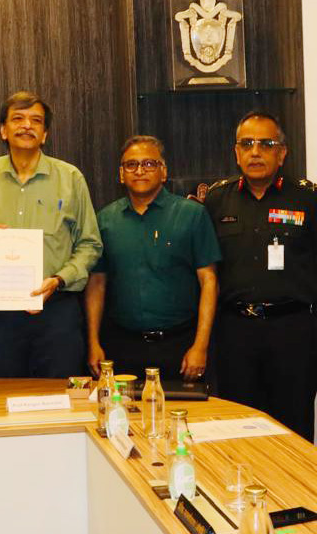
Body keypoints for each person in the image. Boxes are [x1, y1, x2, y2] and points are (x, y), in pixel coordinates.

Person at [203, 112, 317, 441]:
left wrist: (303, 297)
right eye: (247, 144)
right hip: (236, 331)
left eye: (266, 144)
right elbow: (209, 267)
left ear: (282, 152)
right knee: (238, 424)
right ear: (236, 152)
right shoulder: (218, 199)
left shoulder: (308, 196)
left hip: (292, 330)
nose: (255, 152)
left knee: (294, 424)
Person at [0, 91, 103, 377]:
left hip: (57, 311)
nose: (27, 125)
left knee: (59, 393)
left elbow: (90, 244)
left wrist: (59, 279)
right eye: (18, 119)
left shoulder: (70, 177)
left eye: (36, 120)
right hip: (1, 313)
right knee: (4, 393)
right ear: (3, 130)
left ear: (45, 134)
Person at [86, 136, 219, 381]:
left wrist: (200, 346)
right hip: (121, 346)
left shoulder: (192, 214)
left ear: (163, 171)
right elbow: (96, 283)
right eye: (131, 165)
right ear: (121, 174)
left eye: (149, 164)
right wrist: (93, 342)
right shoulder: (104, 220)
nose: (139, 171)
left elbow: (209, 281)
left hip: (180, 345)